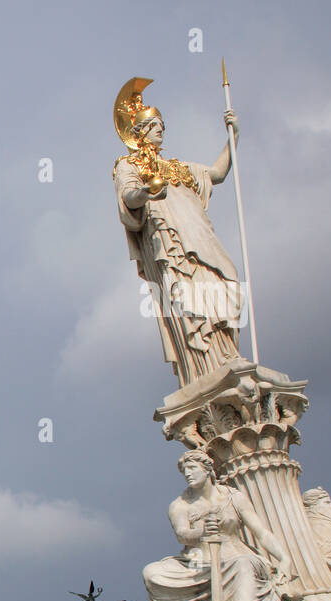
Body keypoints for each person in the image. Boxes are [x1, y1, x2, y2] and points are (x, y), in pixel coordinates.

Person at [114, 79, 243, 387]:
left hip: (200, 236)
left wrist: (233, 136)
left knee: (224, 284)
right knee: (187, 301)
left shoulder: (179, 167)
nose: (161, 129)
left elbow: (217, 174)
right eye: (155, 125)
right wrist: (147, 192)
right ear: (139, 133)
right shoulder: (129, 166)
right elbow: (128, 198)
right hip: (169, 245)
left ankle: (227, 352)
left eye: (162, 124)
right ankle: (204, 367)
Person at [142, 450, 300, 601]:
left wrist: (284, 558)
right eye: (184, 471)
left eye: (192, 469)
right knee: (152, 572)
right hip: (199, 562)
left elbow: (261, 532)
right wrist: (202, 531)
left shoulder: (233, 497)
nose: (188, 474)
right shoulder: (180, 504)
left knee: (244, 564)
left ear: (207, 470)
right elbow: (182, 535)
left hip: (235, 555)